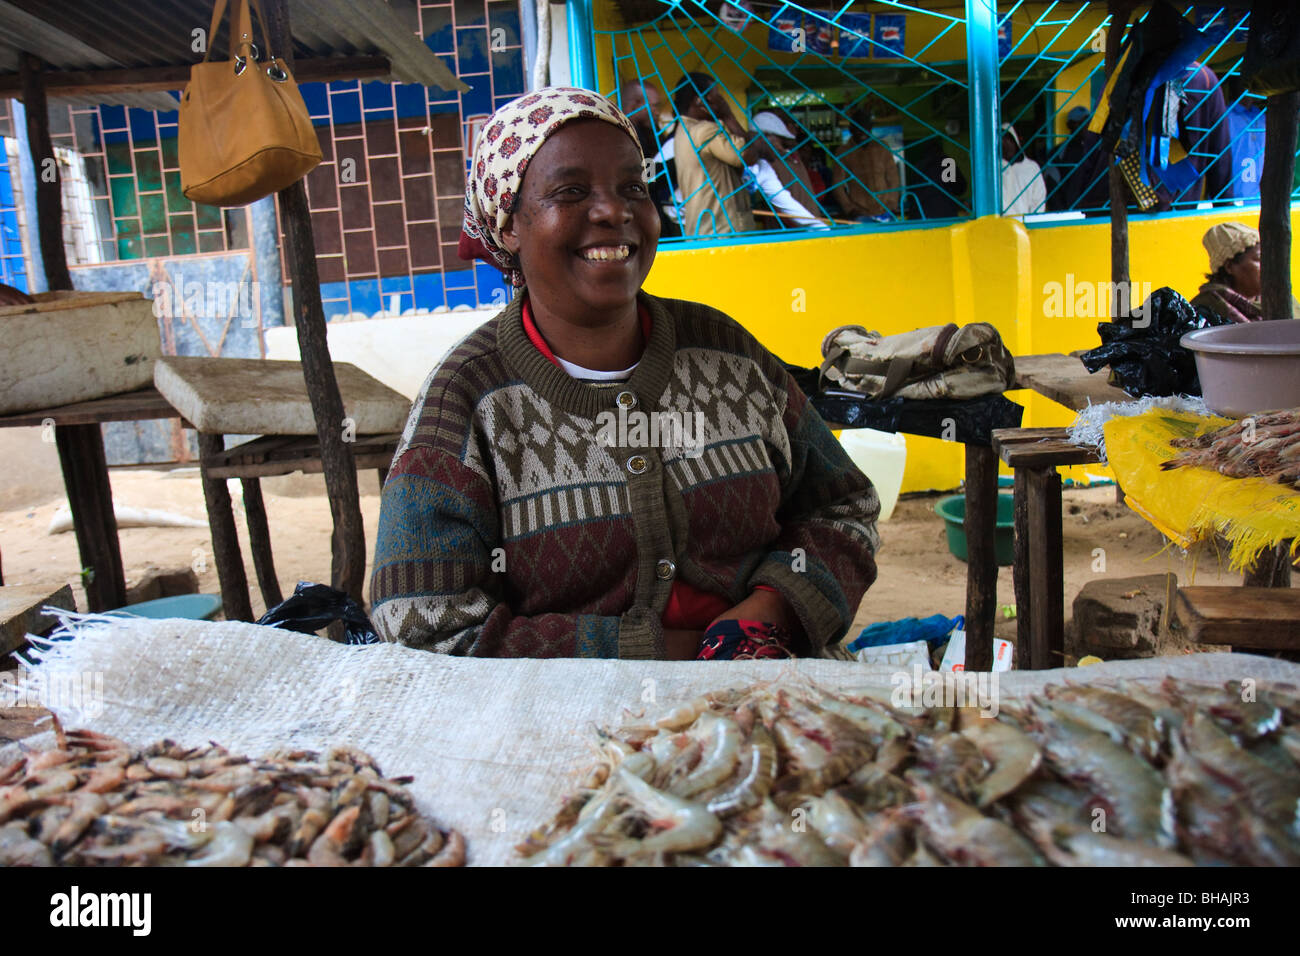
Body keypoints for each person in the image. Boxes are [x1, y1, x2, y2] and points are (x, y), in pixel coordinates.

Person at [370, 88, 881, 660]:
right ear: (509, 224)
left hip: (769, 698)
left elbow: (841, 505)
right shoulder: (467, 399)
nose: (615, 211)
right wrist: (665, 651)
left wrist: (775, 609)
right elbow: (418, 622)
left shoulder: (728, 354)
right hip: (566, 736)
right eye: (571, 191)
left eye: (633, 187)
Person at [672, 73, 756, 236]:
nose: (721, 101)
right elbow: (749, 156)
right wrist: (728, 116)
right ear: (700, 100)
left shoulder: (682, 131)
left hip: (701, 228)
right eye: (716, 95)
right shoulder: (705, 131)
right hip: (723, 228)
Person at [1191, 221, 1300, 323]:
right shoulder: (1205, 311)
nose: (1270, 266)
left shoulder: (1281, 297)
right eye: (1260, 259)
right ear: (1229, 267)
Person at [619, 80, 679, 238]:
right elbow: (649, 179)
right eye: (654, 106)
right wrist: (677, 162)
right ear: (636, 104)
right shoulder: (630, 136)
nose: (657, 112)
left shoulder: (640, 133)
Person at [747, 112, 827, 230]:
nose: (779, 146)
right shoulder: (755, 166)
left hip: (803, 228)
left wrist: (822, 228)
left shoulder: (770, 165)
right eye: (777, 140)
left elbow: (786, 203)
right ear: (763, 137)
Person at [831, 112, 900, 222]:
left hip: (885, 210)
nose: (862, 132)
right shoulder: (843, 152)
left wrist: (892, 204)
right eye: (858, 129)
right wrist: (850, 209)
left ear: (870, 129)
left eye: (866, 128)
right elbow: (837, 185)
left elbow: (893, 178)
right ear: (851, 130)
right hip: (860, 213)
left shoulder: (882, 147)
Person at [1000, 124, 1046, 217]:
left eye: (1007, 139)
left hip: (1025, 226)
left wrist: (1032, 223)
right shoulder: (995, 169)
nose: (1004, 143)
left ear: (1015, 141)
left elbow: (1038, 201)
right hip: (1000, 226)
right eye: (1000, 140)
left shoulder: (1031, 168)